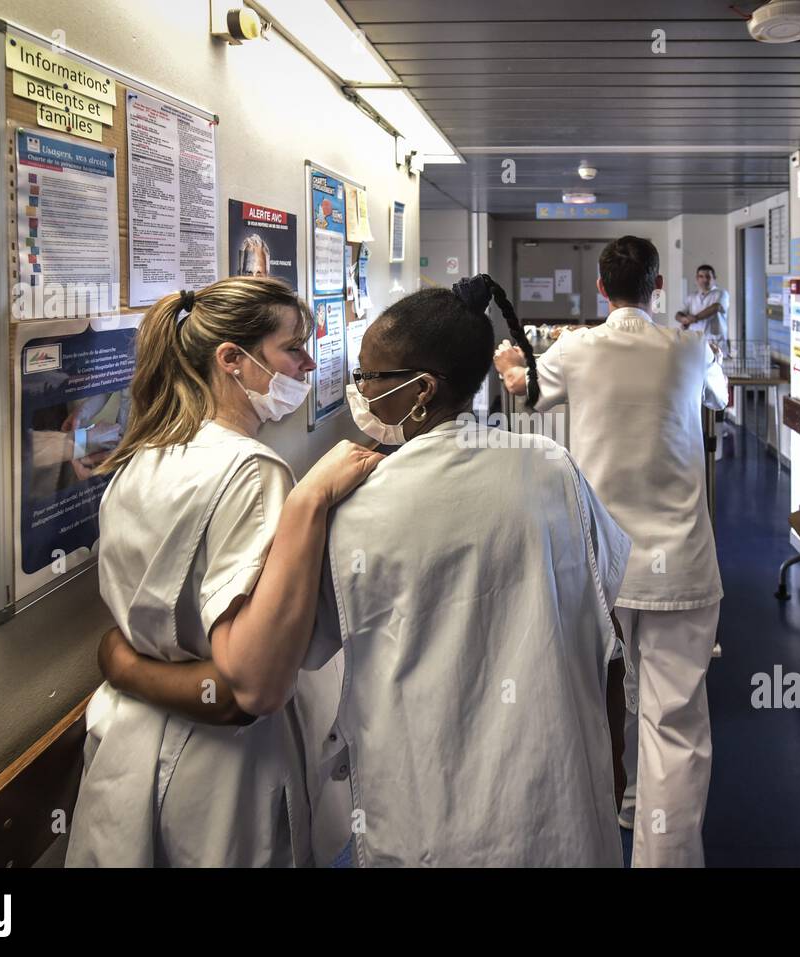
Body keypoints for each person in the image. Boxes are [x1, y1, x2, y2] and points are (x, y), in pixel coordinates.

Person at [97, 276, 633, 867]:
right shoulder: (552, 467)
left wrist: (123, 664)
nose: (353, 390)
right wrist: (613, 766)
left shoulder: (347, 506)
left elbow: (259, 674)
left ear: (421, 390)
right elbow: (607, 630)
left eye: (369, 379)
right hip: (560, 801)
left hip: (425, 813)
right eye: (294, 348)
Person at [65, 275, 382, 868]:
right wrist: (310, 502)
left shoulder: (143, 455)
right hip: (219, 774)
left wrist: (124, 663)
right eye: (293, 347)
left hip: (127, 749)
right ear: (232, 360)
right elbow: (252, 687)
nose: (310, 364)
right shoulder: (252, 472)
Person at [495, 236, 728, 868]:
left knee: (605, 692)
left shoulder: (574, 349)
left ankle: (621, 806)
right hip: (680, 565)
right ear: (656, 288)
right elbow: (722, 399)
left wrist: (509, 360)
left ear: (602, 288)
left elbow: (524, 391)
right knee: (672, 720)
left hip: (601, 562)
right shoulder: (690, 347)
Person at [675, 263, 729, 344]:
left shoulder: (721, 293)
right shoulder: (691, 297)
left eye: (708, 276)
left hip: (715, 342)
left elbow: (715, 307)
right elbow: (678, 315)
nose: (705, 280)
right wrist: (685, 320)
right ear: (697, 278)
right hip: (695, 341)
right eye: (701, 276)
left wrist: (695, 318)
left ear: (714, 278)